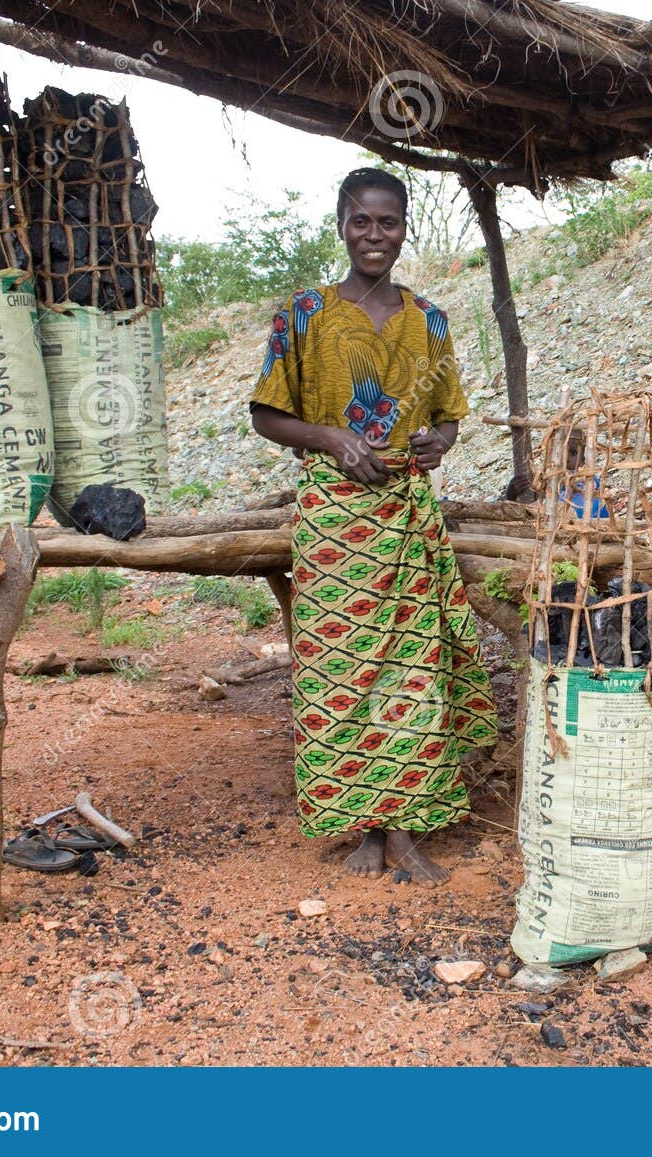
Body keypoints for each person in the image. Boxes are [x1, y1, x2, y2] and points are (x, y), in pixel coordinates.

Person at [249, 167, 498, 886]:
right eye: (361, 222)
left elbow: (448, 413)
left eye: (388, 223)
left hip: (407, 516)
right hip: (333, 521)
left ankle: (407, 831)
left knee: (412, 677)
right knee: (342, 676)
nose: (374, 236)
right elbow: (265, 413)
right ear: (340, 225)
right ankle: (363, 827)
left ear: (405, 228)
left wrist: (439, 443)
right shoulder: (304, 314)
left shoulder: (431, 319)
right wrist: (331, 438)